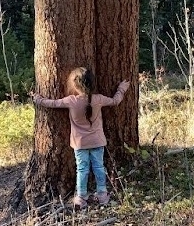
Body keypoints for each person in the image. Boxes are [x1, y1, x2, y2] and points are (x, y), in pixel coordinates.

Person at [32, 66, 130, 208]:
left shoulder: (71, 101)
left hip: (80, 143)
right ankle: (102, 194)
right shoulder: (98, 99)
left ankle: (81, 197)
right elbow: (116, 101)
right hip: (97, 141)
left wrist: (38, 99)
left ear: (74, 84)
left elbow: (52, 103)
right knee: (99, 167)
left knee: (82, 169)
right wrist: (122, 88)